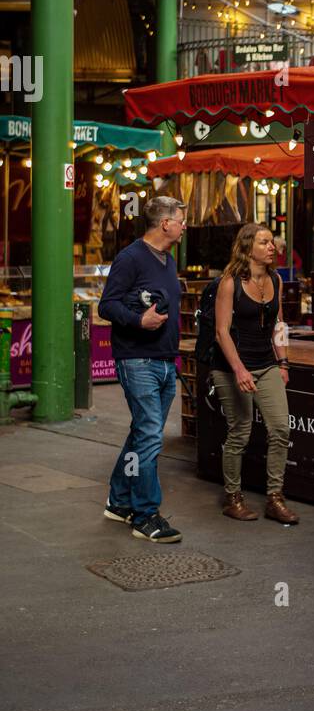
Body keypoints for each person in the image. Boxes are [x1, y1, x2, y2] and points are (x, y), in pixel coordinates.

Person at [98, 196, 187, 543]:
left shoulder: (168, 260)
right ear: (165, 223)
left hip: (165, 361)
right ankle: (145, 514)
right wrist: (139, 320)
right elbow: (107, 305)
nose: (184, 226)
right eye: (181, 220)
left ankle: (119, 502)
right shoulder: (130, 258)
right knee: (150, 435)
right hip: (137, 360)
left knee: (142, 433)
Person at [211, 223, 297, 524]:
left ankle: (275, 498)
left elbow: (279, 324)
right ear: (248, 248)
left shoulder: (276, 279)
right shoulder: (230, 282)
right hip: (231, 366)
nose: (272, 247)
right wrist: (239, 369)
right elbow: (221, 332)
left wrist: (283, 362)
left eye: (272, 242)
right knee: (240, 431)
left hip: (266, 363)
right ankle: (232, 498)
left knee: (280, 429)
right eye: (265, 242)